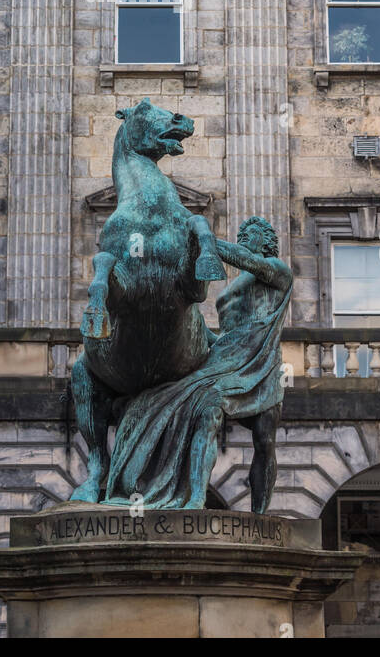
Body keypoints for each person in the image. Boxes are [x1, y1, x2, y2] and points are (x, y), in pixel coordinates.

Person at [104, 215, 293, 512]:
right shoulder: (233, 288)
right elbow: (222, 338)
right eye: (241, 233)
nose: (244, 236)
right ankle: (194, 497)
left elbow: (247, 260)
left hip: (260, 363)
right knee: (201, 409)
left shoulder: (278, 272)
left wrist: (201, 240)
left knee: (265, 441)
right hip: (224, 361)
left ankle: (260, 515)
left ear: (266, 240)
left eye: (251, 233)